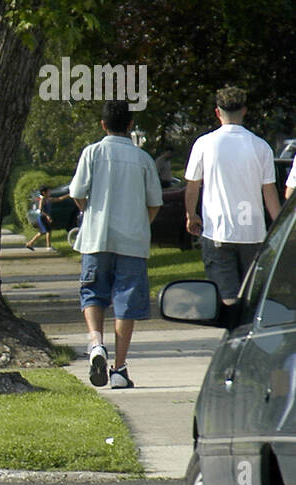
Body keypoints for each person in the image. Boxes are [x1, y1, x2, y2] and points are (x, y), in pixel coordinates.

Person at [69, 100, 163, 389]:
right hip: (132, 241)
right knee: (126, 303)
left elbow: (78, 192)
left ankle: (96, 344)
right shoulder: (143, 159)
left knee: (93, 294)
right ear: (131, 126)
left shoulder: (92, 153)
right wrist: (139, 224)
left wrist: (90, 213)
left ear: (103, 125)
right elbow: (154, 203)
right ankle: (120, 369)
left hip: (96, 238)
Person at [185, 86, 281, 305]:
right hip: (253, 233)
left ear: (218, 112)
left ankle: (231, 334)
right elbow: (270, 193)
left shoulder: (204, 144)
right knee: (252, 297)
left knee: (226, 296)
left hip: (218, 230)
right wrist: (278, 226)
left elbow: (192, 186)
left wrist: (191, 215)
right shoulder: (261, 147)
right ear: (244, 111)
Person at [24, 186, 54, 250]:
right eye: (48, 191)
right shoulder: (42, 199)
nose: (50, 192)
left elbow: (59, 199)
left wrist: (68, 195)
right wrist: (47, 216)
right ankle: (48, 246)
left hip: (43, 217)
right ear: (44, 192)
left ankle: (29, 243)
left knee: (42, 232)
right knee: (48, 231)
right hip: (42, 217)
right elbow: (40, 210)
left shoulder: (47, 198)